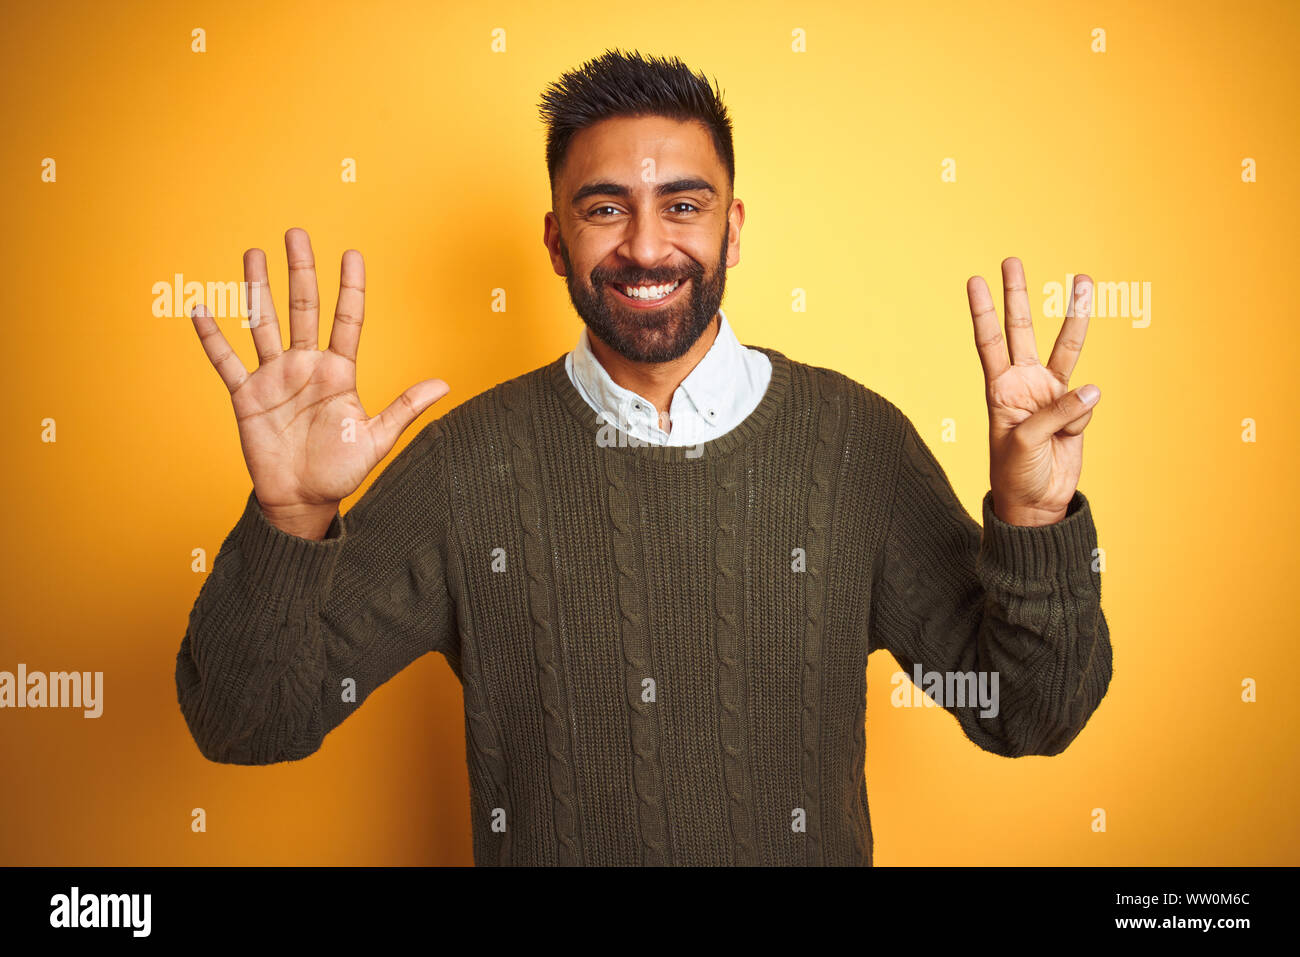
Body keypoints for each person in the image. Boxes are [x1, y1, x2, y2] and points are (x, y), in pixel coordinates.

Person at [176, 49, 1112, 866]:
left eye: (683, 204)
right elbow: (246, 723)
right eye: (603, 208)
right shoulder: (466, 469)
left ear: (733, 229)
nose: (648, 244)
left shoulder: (857, 444)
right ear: (555, 240)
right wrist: (291, 517)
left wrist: (1033, 525)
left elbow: (1028, 714)